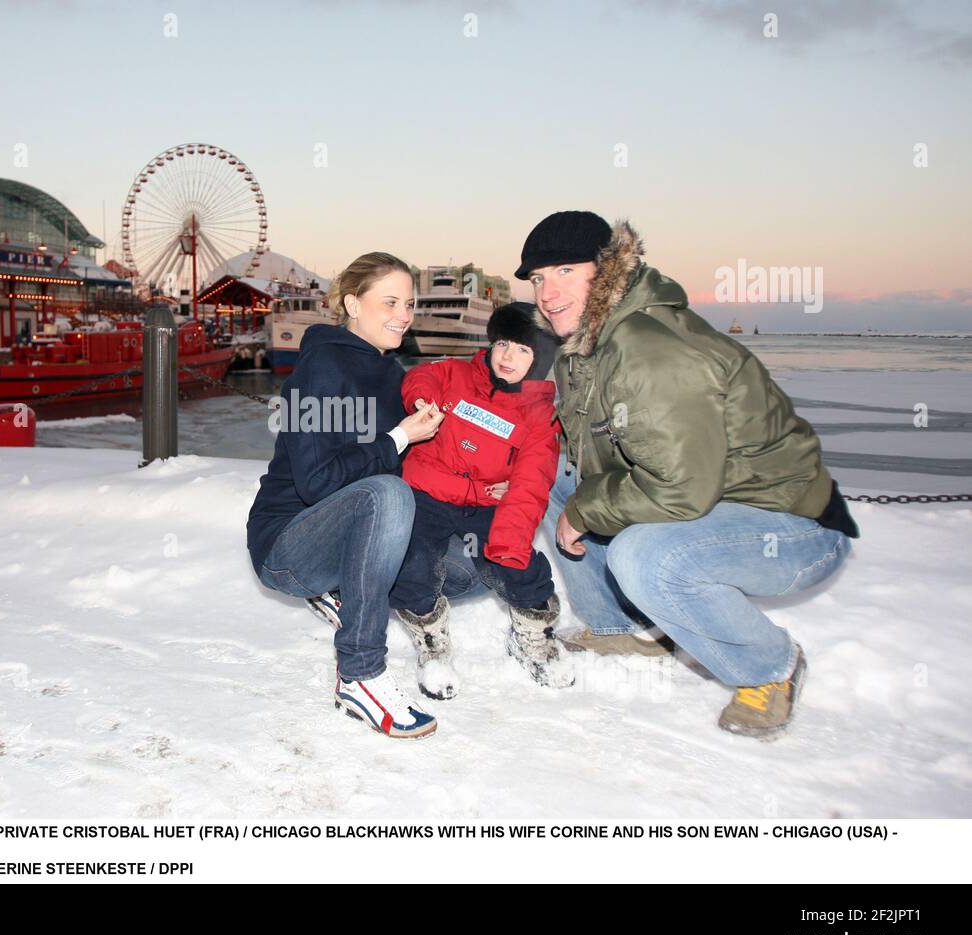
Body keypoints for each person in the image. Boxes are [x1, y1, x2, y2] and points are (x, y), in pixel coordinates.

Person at [514, 211, 859, 737]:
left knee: (646, 559)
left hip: (793, 526)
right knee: (554, 477)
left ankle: (771, 667)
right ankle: (623, 627)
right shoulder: (584, 351)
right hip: (713, 504)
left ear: (607, 272)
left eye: (563, 270)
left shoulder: (649, 350)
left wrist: (586, 511)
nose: (547, 291)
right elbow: (585, 454)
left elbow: (679, 489)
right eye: (539, 278)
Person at [246, 252, 446, 740]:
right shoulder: (321, 369)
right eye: (391, 302)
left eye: (410, 303)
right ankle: (359, 673)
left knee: (453, 569)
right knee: (388, 495)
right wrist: (398, 438)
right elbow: (316, 482)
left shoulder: (389, 371)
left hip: (339, 532)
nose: (404, 315)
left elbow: (392, 457)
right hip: (285, 546)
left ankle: (343, 592)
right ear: (353, 304)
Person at [388, 304, 569, 697]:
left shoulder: (540, 417)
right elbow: (420, 376)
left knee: (522, 565)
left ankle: (532, 637)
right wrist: (422, 400)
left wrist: (508, 545)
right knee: (413, 560)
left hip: (487, 499)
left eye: (523, 350)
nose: (507, 356)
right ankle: (432, 642)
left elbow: (531, 483)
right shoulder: (456, 373)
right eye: (503, 343)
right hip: (429, 490)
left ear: (540, 360)